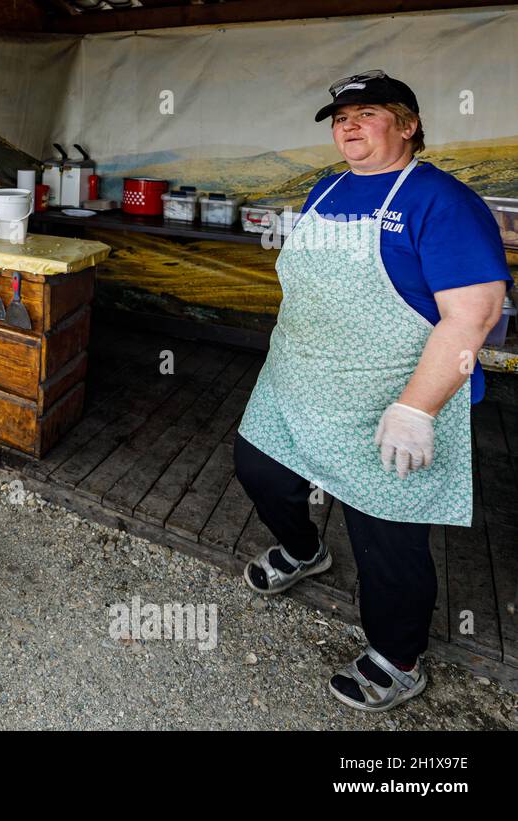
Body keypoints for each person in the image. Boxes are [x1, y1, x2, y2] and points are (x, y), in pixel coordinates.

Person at [234, 70, 512, 711]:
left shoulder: (442, 202)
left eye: (366, 113)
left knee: (386, 534)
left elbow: (474, 316)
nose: (348, 126)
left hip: (391, 398)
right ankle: (303, 550)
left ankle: (398, 655)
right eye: (339, 118)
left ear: (408, 125)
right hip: (298, 379)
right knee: (259, 470)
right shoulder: (324, 190)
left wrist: (417, 409)